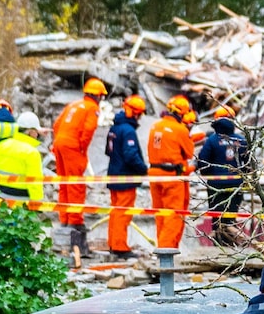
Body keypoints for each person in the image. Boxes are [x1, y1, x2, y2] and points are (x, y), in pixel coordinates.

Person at [51, 77, 108, 256]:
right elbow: (88, 130)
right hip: (73, 146)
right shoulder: (92, 108)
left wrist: (58, 142)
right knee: (76, 185)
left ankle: (65, 218)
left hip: (60, 144)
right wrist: (82, 149)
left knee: (64, 184)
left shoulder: (73, 105)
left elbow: (56, 125)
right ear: (98, 96)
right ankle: (75, 220)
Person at [195, 106, 249, 244]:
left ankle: (219, 244)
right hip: (236, 184)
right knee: (230, 216)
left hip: (215, 185)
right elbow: (248, 163)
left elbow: (203, 161)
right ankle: (231, 244)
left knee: (217, 217)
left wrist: (208, 175)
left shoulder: (212, 140)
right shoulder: (241, 140)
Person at [147, 95, 195, 250]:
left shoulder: (155, 126)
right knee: (173, 214)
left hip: (154, 174)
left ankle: (163, 247)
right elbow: (188, 153)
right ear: (181, 113)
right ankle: (166, 251)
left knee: (160, 213)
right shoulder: (180, 129)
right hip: (172, 176)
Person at [105, 95, 148, 254]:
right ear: (136, 113)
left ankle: (113, 243)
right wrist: (143, 169)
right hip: (126, 178)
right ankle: (119, 247)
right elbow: (131, 155)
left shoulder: (114, 128)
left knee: (115, 212)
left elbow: (108, 151)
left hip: (114, 175)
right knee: (123, 213)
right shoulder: (128, 130)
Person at [1, 109, 49, 208]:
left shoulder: (2, 145)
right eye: (36, 132)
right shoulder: (31, 153)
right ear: (31, 132)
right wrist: (37, 203)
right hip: (21, 203)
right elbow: (34, 183)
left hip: (0, 199)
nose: (37, 135)